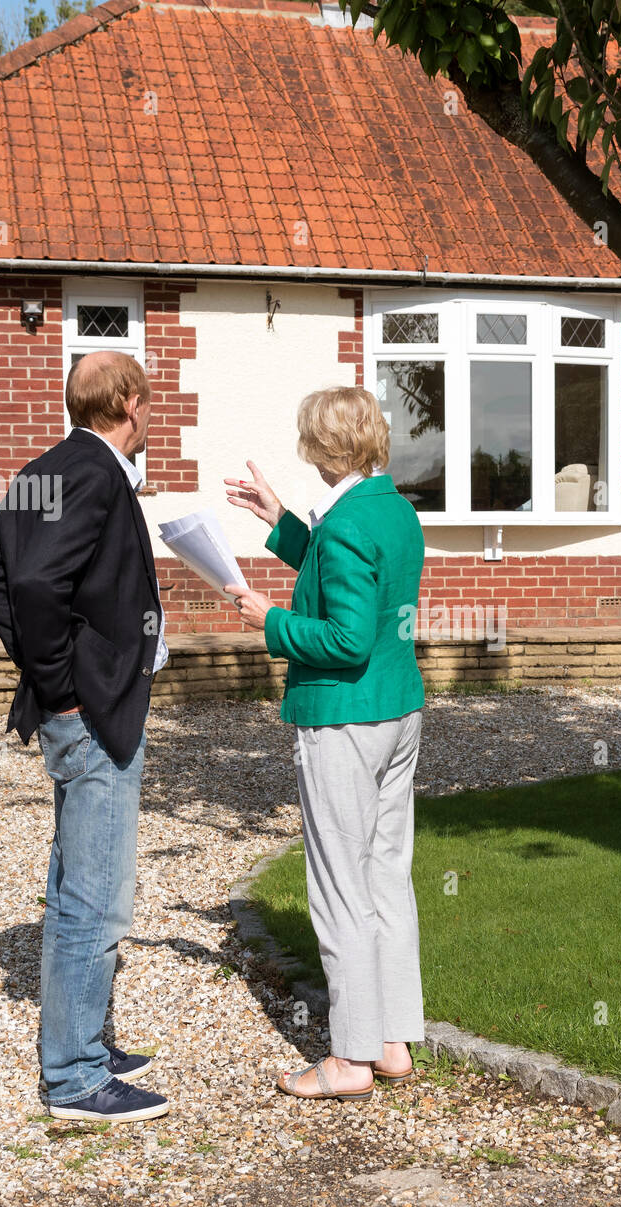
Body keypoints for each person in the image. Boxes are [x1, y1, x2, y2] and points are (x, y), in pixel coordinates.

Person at [0, 351, 170, 1123]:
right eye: (146, 401)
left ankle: (85, 1042)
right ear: (126, 402)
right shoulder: (93, 472)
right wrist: (63, 681)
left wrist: (55, 667)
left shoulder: (48, 466)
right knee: (96, 893)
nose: (150, 413)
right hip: (90, 713)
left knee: (71, 882)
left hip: (80, 706)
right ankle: (77, 1075)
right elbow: (29, 581)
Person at [225, 386, 426, 1101]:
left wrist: (269, 620)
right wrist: (280, 520)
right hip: (397, 710)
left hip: (345, 718)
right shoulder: (392, 508)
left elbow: (344, 635)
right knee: (384, 876)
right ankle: (393, 1039)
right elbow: (349, 580)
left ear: (323, 447)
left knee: (340, 887)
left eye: (307, 438)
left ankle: (348, 1058)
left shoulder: (344, 524)